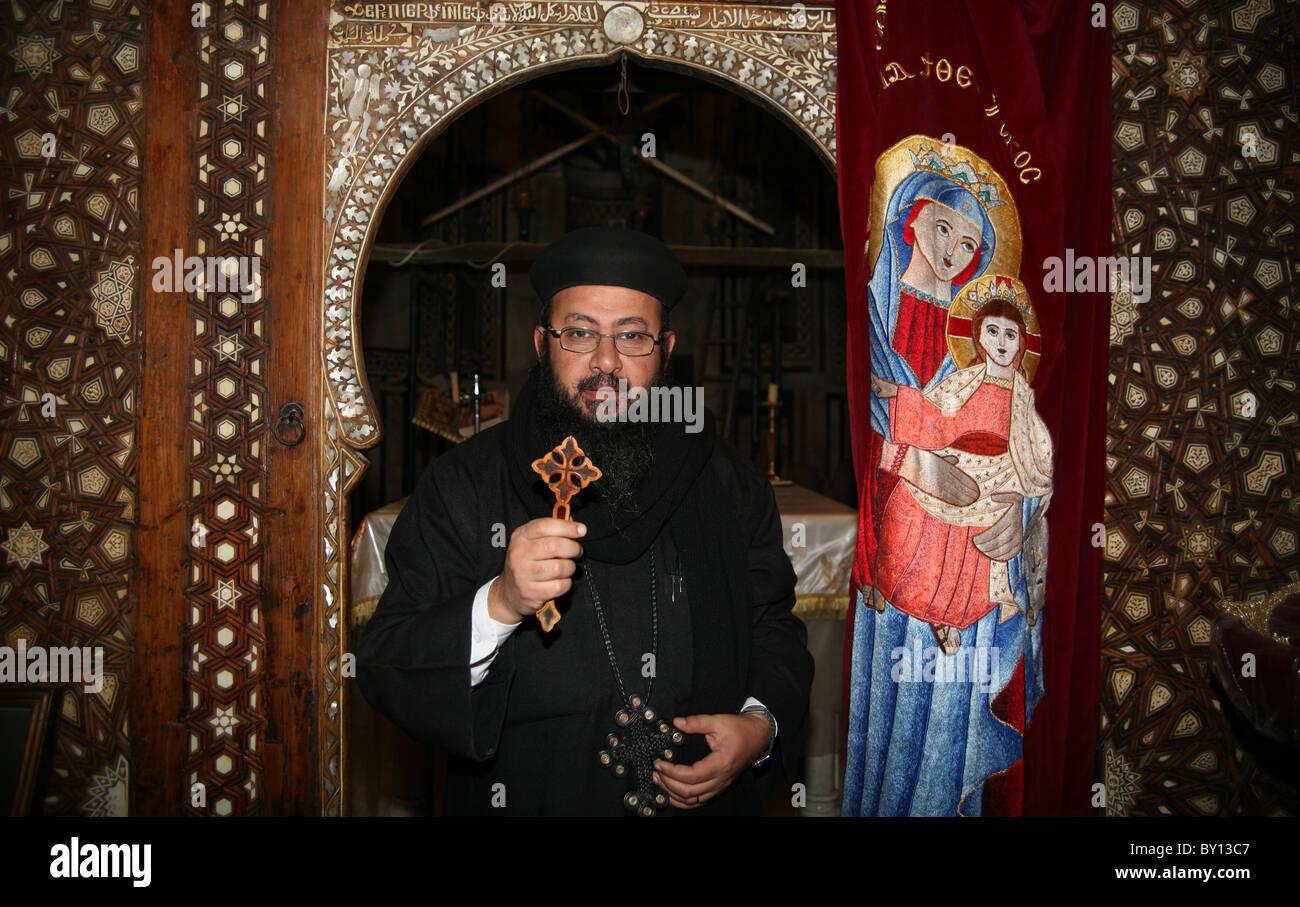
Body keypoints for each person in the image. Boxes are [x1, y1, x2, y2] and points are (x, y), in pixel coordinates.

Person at [355, 227, 814, 816]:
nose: (606, 361)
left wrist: (759, 727)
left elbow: (772, 626)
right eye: (579, 333)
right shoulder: (466, 483)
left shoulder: (721, 478)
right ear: (541, 343)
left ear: (666, 348)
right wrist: (497, 604)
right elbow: (388, 661)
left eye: (632, 336)